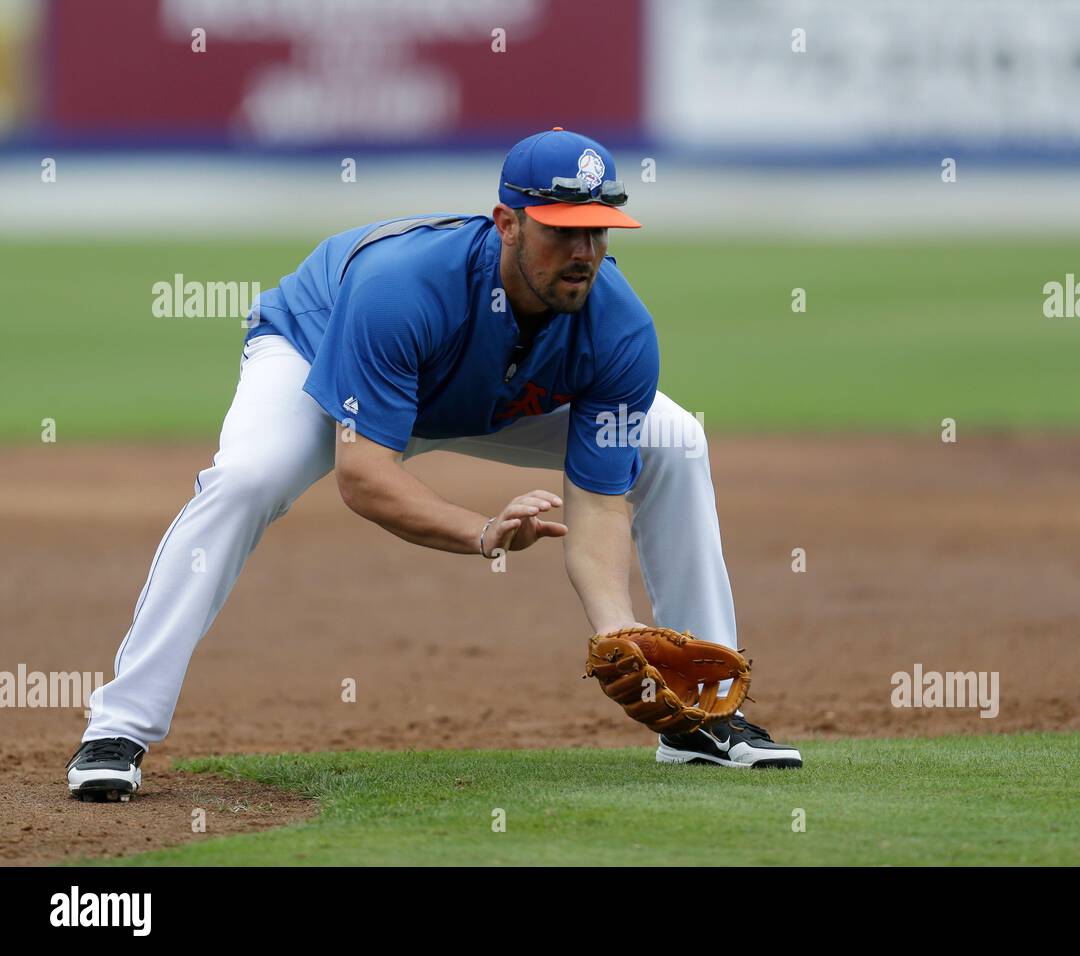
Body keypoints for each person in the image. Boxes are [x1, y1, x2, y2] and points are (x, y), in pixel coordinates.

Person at [65, 128, 802, 801]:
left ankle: (703, 720)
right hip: (320, 355)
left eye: (599, 231)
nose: (584, 253)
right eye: (563, 232)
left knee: (672, 443)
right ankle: (119, 727)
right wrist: (482, 532)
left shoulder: (617, 326)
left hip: (483, 394)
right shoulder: (402, 287)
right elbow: (364, 479)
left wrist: (618, 633)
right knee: (245, 481)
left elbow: (602, 502)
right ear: (506, 222)